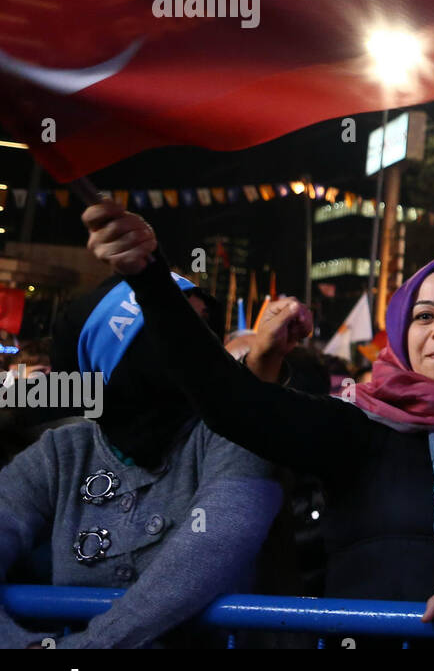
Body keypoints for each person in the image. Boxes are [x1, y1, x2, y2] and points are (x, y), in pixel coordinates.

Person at [81, 199, 434, 648]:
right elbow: (228, 400)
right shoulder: (355, 428)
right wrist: (151, 278)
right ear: (402, 332)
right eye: (424, 316)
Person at [0, 275, 282, 648]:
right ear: (116, 353)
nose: (202, 344)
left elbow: (214, 544)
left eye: (203, 326)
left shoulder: (234, 435)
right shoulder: (62, 452)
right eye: (175, 324)